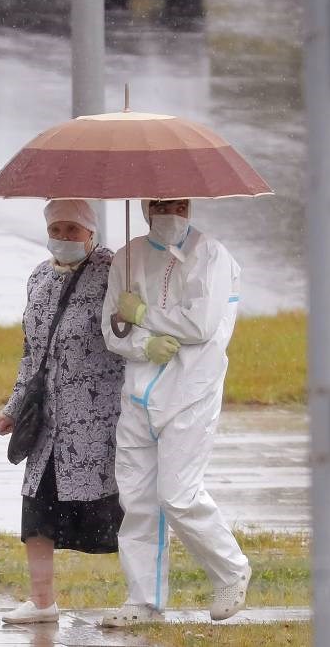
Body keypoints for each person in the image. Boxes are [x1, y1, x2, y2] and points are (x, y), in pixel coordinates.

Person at [100, 198, 251, 627]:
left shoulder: (213, 256)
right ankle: (144, 601)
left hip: (191, 391)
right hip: (138, 393)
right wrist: (139, 343)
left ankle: (231, 569)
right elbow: (111, 326)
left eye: (178, 204)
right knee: (137, 500)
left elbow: (200, 325)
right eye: (161, 204)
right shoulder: (127, 258)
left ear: (190, 205)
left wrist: (146, 314)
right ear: (145, 206)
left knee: (178, 496)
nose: (170, 212)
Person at [0, 199, 125, 624]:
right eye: (57, 229)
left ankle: (144, 596)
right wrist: (14, 407)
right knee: (37, 508)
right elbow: (33, 352)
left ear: (92, 233)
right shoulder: (39, 276)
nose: (64, 238)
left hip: (99, 420)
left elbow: (130, 336)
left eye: (73, 229)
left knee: (123, 511)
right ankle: (41, 601)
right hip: (48, 420)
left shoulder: (114, 272)